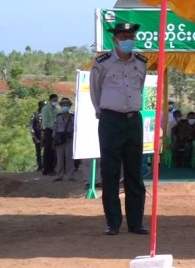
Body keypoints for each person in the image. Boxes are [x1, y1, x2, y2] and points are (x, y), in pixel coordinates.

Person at [90, 22, 149, 236]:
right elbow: (95, 91)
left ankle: (136, 223)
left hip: (133, 120)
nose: (128, 40)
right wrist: (103, 112)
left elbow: (140, 87)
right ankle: (113, 223)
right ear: (114, 40)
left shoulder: (141, 62)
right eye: (123, 36)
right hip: (110, 120)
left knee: (134, 172)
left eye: (131, 36)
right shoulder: (102, 63)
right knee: (111, 172)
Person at [52, 98, 76, 182]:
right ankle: (59, 175)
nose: (65, 106)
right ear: (61, 106)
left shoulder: (73, 117)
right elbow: (55, 128)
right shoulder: (58, 117)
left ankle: (70, 176)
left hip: (69, 139)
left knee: (69, 158)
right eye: (64, 105)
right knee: (60, 158)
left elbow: (75, 128)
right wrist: (53, 139)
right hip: (59, 139)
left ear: (69, 106)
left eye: (67, 105)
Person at [41, 93, 60, 175]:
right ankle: (46, 168)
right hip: (49, 130)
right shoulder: (45, 109)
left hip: (57, 131)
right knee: (48, 149)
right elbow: (45, 122)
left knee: (55, 150)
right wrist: (53, 127)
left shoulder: (59, 108)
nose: (55, 101)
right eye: (54, 100)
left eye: (56, 100)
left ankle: (53, 168)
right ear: (50, 100)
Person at [29, 100, 45, 171]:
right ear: (40, 106)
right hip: (37, 136)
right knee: (38, 151)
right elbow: (31, 126)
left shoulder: (47, 114)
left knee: (47, 151)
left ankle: (46, 166)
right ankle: (40, 166)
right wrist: (34, 136)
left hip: (46, 135)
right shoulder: (34, 115)